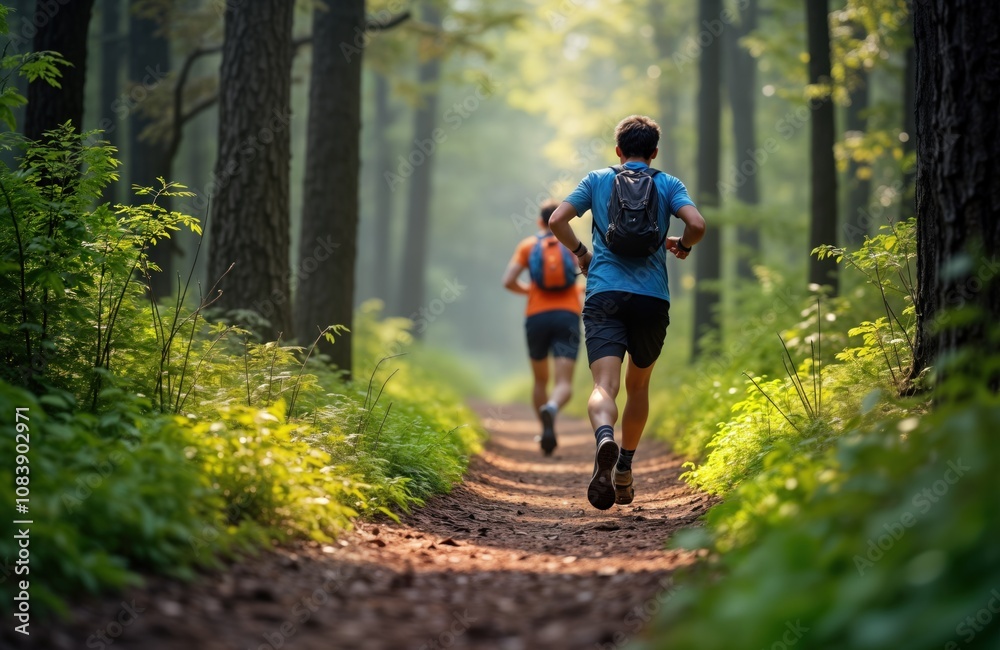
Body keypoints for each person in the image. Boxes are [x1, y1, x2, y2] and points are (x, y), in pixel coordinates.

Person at [548, 114, 707, 510]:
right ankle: (625, 469)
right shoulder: (668, 184)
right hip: (652, 298)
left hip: (605, 294)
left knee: (605, 386)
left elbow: (556, 220)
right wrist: (683, 245)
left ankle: (605, 435)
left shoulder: (597, 179)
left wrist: (582, 253)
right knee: (639, 387)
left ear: (618, 151)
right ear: (654, 152)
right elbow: (698, 225)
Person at [502, 199, 583, 456]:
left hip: (536, 316)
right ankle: (553, 407)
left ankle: (544, 427)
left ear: (540, 221)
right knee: (563, 382)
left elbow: (508, 281)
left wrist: (530, 290)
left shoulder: (527, 246)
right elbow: (591, 275)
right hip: (567, 316)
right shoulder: (572, 245)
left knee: (540, 379)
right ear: (562, 220)